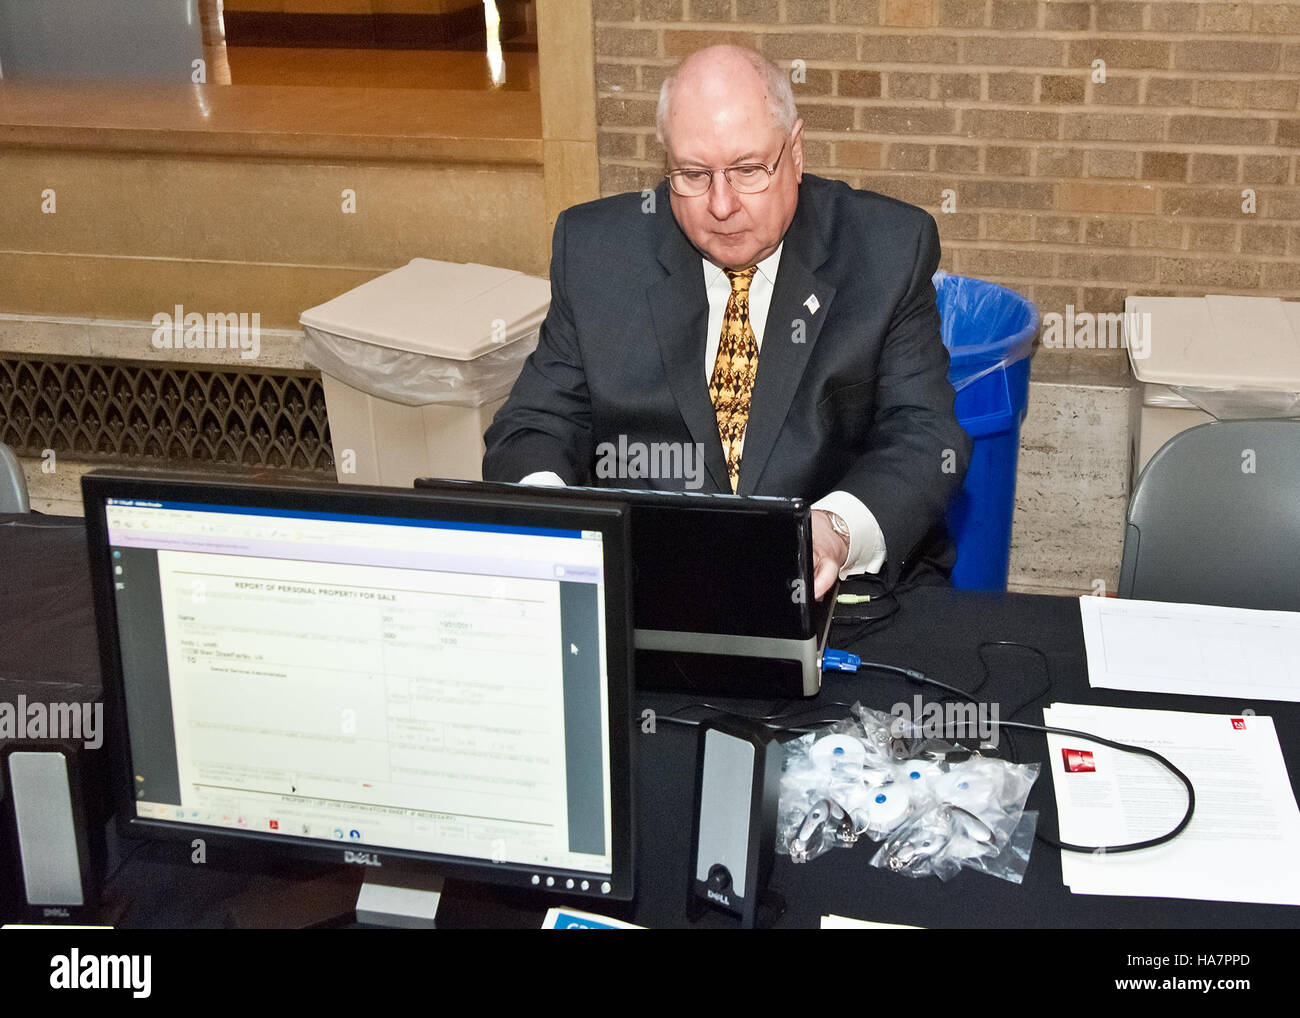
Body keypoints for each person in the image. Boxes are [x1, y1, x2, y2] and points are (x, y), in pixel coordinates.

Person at [483, 44, 971, 597]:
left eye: (747, 170)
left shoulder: (886, 251)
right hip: (649, 585)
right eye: (693, 174)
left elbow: (926, 436)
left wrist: (835, 531)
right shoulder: (596, 253)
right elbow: (532, 427)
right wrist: (561, 525)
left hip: (842, 594)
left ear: (796, 152)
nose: (721, 204)